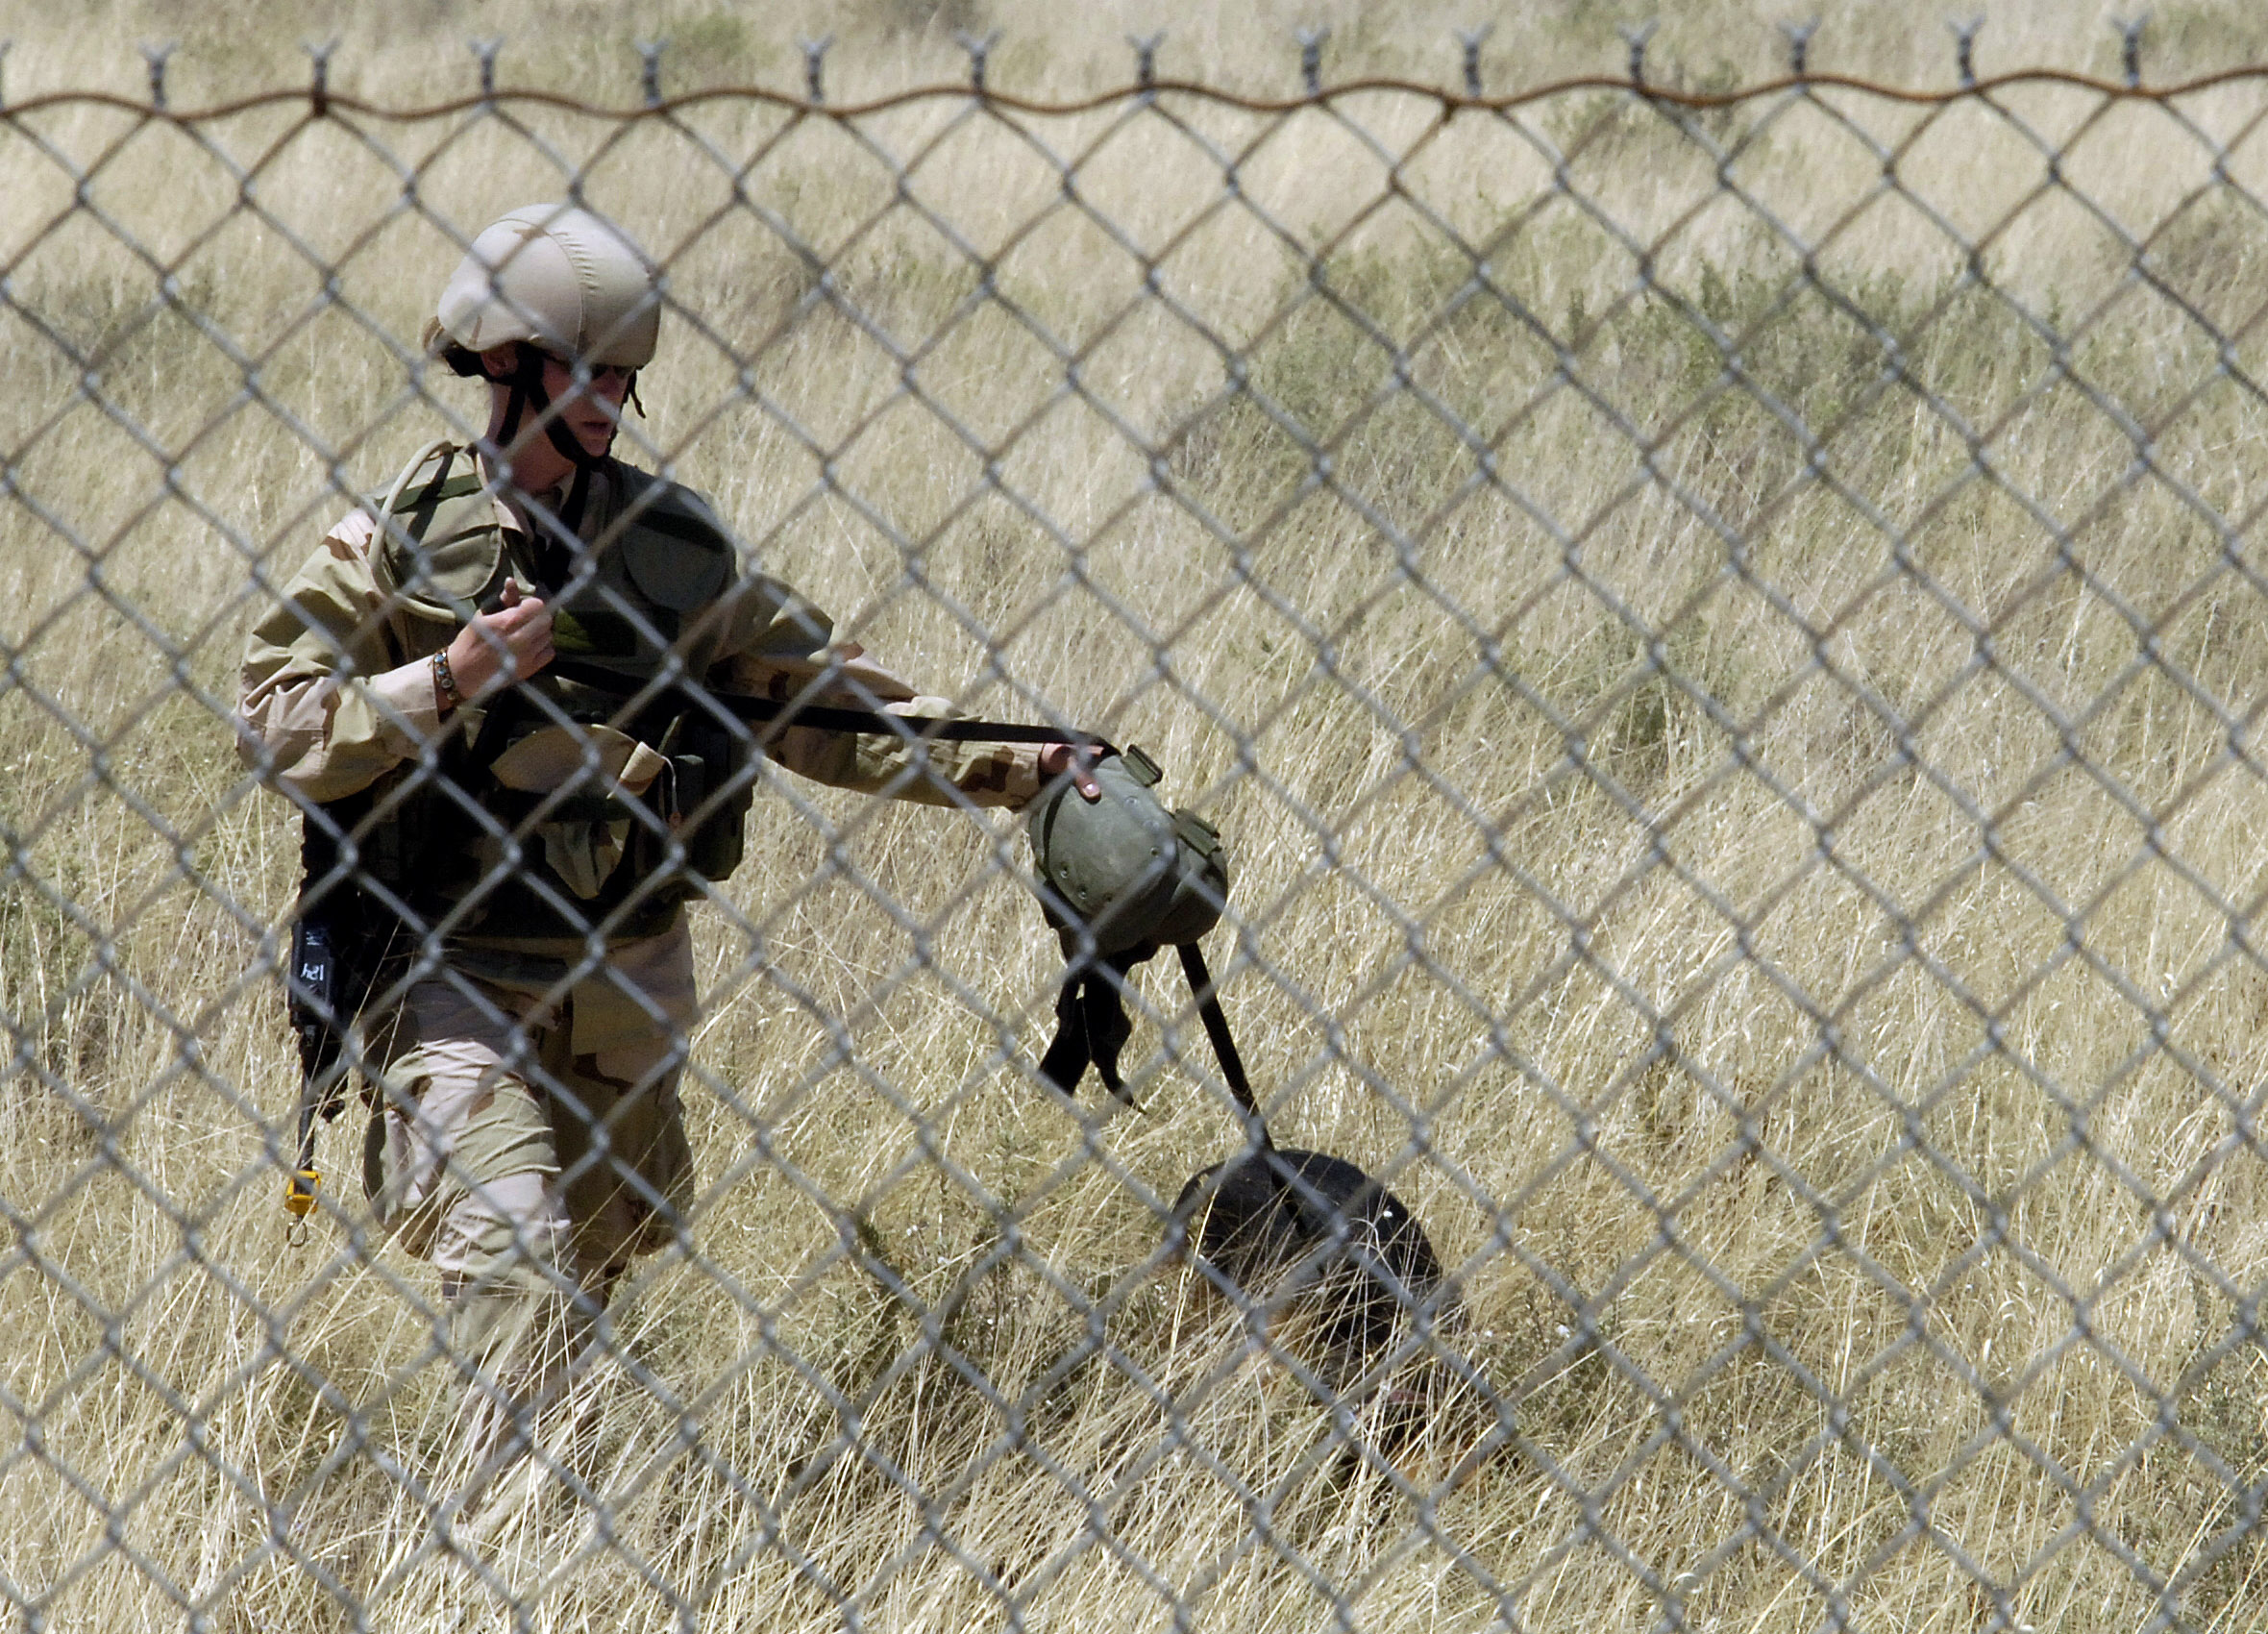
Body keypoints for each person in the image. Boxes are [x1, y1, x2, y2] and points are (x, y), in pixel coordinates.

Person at [236, 202, 1097, 1492]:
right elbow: (273, 722)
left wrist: (1021, 769)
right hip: (445, 972)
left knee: (585, 1273)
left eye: (624, 370)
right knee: (516, 1259)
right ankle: (490, 1561)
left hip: (622, 983)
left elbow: (823, 710)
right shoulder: (395, 545)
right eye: (582, 367)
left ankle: (542, 1528)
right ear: (506, 365)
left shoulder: (676, 552)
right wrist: (449, 679)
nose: (610, 395)